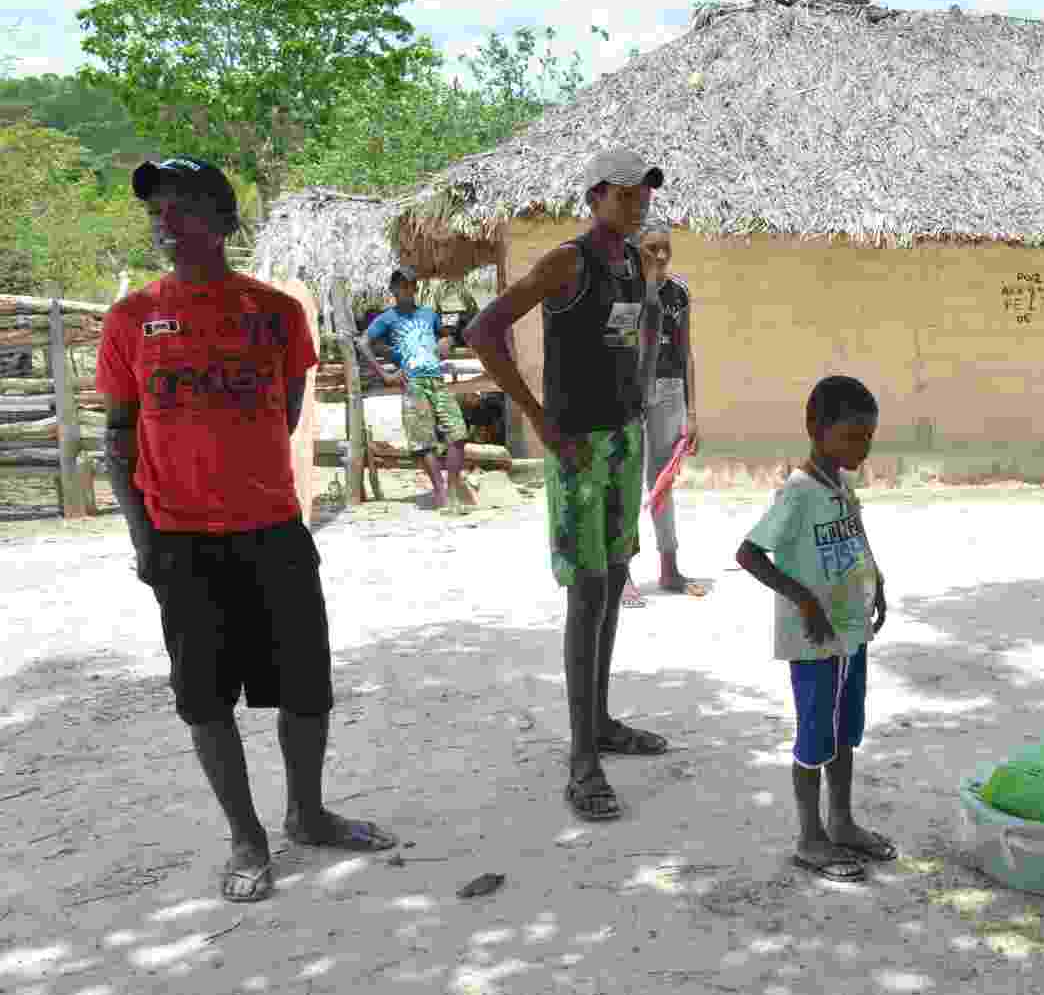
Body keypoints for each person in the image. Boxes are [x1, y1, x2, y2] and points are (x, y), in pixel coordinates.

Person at [97, 157, 396, 903]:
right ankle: (247, 836)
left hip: (272, 529)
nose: (167, 221)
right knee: (204, 699)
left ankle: (309, 812)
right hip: (183, 542)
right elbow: (117, 439)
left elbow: (286, 410)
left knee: (307, 689)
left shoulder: (276, 313)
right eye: (158, 209)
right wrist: (144, 539)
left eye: (186, 205)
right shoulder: (131, 320)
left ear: (225, 221)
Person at [464, 149, 672, 823]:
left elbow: (638, 335)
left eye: (644, 191)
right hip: (577, 446)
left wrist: (638, 392)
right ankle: (583, 762)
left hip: (622, 439)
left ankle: (604, 723)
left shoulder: (636, 264)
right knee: (586, 593)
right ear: (595, 195)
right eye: (625, 192)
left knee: (612, 579)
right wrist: (535, 415)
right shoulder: (568, 262)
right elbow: (484, 329)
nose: (638, 201)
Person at [735, 376, 895, 883]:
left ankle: (841, 822)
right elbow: (748, 554)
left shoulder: (842, 486)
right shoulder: (799, 492)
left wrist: (879, 581)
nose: (862, 447)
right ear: (816, 430)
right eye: (852, 436)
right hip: (814, 643)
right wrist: (804, 599)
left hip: (851, 635)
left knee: (844, 733)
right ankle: (809, 838)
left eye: (868, 436)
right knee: (814, 738)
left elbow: (857, 538)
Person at [620, 221, 705, 609]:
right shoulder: (624, 292)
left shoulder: (680, 293)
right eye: (651, 249)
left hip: (670, 390)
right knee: (625, 482)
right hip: (630, 394)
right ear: (636, 252)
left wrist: (693, 411)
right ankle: (621, 574)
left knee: (663, 482)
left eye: (665, 248)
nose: (659, 256)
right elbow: (615, 346)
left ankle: (669, 567)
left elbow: (686, 354)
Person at [358, 265, 474, 512]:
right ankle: (441, 493)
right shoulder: (387, 318)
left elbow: (446, 336)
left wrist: (446, 342)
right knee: (423, 441)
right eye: (400, 285)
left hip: (436, 380)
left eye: (410, 285)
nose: (406, 289)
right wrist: (385, 374)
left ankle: (452, 488)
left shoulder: (429, 314)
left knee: (458, 433)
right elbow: (363, 342)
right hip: (413, 383)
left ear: (415, 288)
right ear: (393, 290)